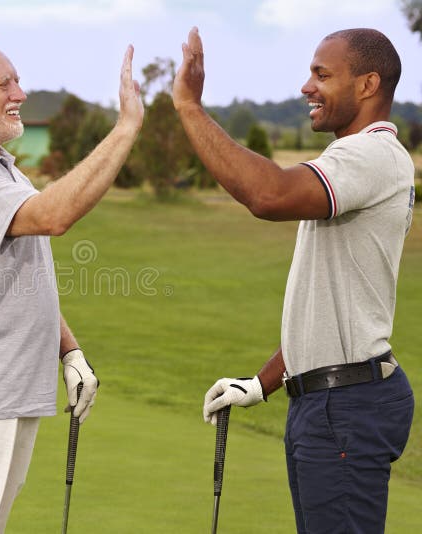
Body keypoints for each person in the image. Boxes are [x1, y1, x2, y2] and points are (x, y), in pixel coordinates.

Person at [173, 27, 415, 533]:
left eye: (322, 74)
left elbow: (269, 196)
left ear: (369, 84)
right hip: (328, 401)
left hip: (345, 407)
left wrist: (191, 109)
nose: (307, 86)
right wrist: (262, 384)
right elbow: (329, 307)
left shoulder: (370, 156)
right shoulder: (350, 159)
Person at [0, 42, 143, 533]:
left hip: (6, 390)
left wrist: (69, 352)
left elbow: (20, 278)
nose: (20, 92)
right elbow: (53, 216)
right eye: (5, 84)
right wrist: (124, 130)